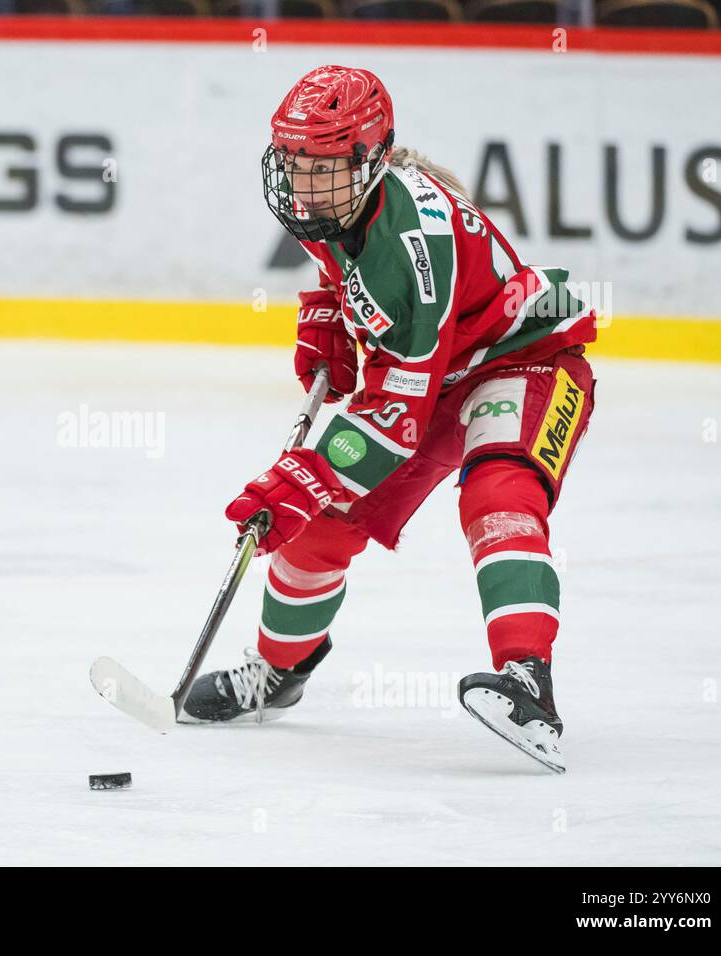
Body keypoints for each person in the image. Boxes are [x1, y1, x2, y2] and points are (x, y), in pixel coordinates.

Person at [181, 66, 597, 773]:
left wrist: (302, 475)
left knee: (498, 493)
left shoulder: (410, 250)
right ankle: (280, 673)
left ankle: (529, 684)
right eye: (296, 164)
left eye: (324, 167)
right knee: (322, 523)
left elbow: (396, 418)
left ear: (371, 159)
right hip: (436, 370)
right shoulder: (335, 204)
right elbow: (336, 270)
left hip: (525, 360)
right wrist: (325, 323)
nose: (305, 184)